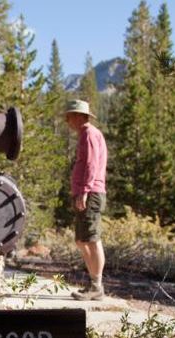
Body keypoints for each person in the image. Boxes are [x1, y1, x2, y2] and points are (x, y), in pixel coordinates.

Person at [65, 99, 107, 301]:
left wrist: (84, 191)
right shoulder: (87, 134)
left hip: (90, 193)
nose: (68, 120)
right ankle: (93, 283)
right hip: (87, 192)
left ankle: (97, 286)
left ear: (81, 116)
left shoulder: (89, 134)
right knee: (82, 240)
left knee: (91, 239)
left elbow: (91, 164)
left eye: (70, 115)